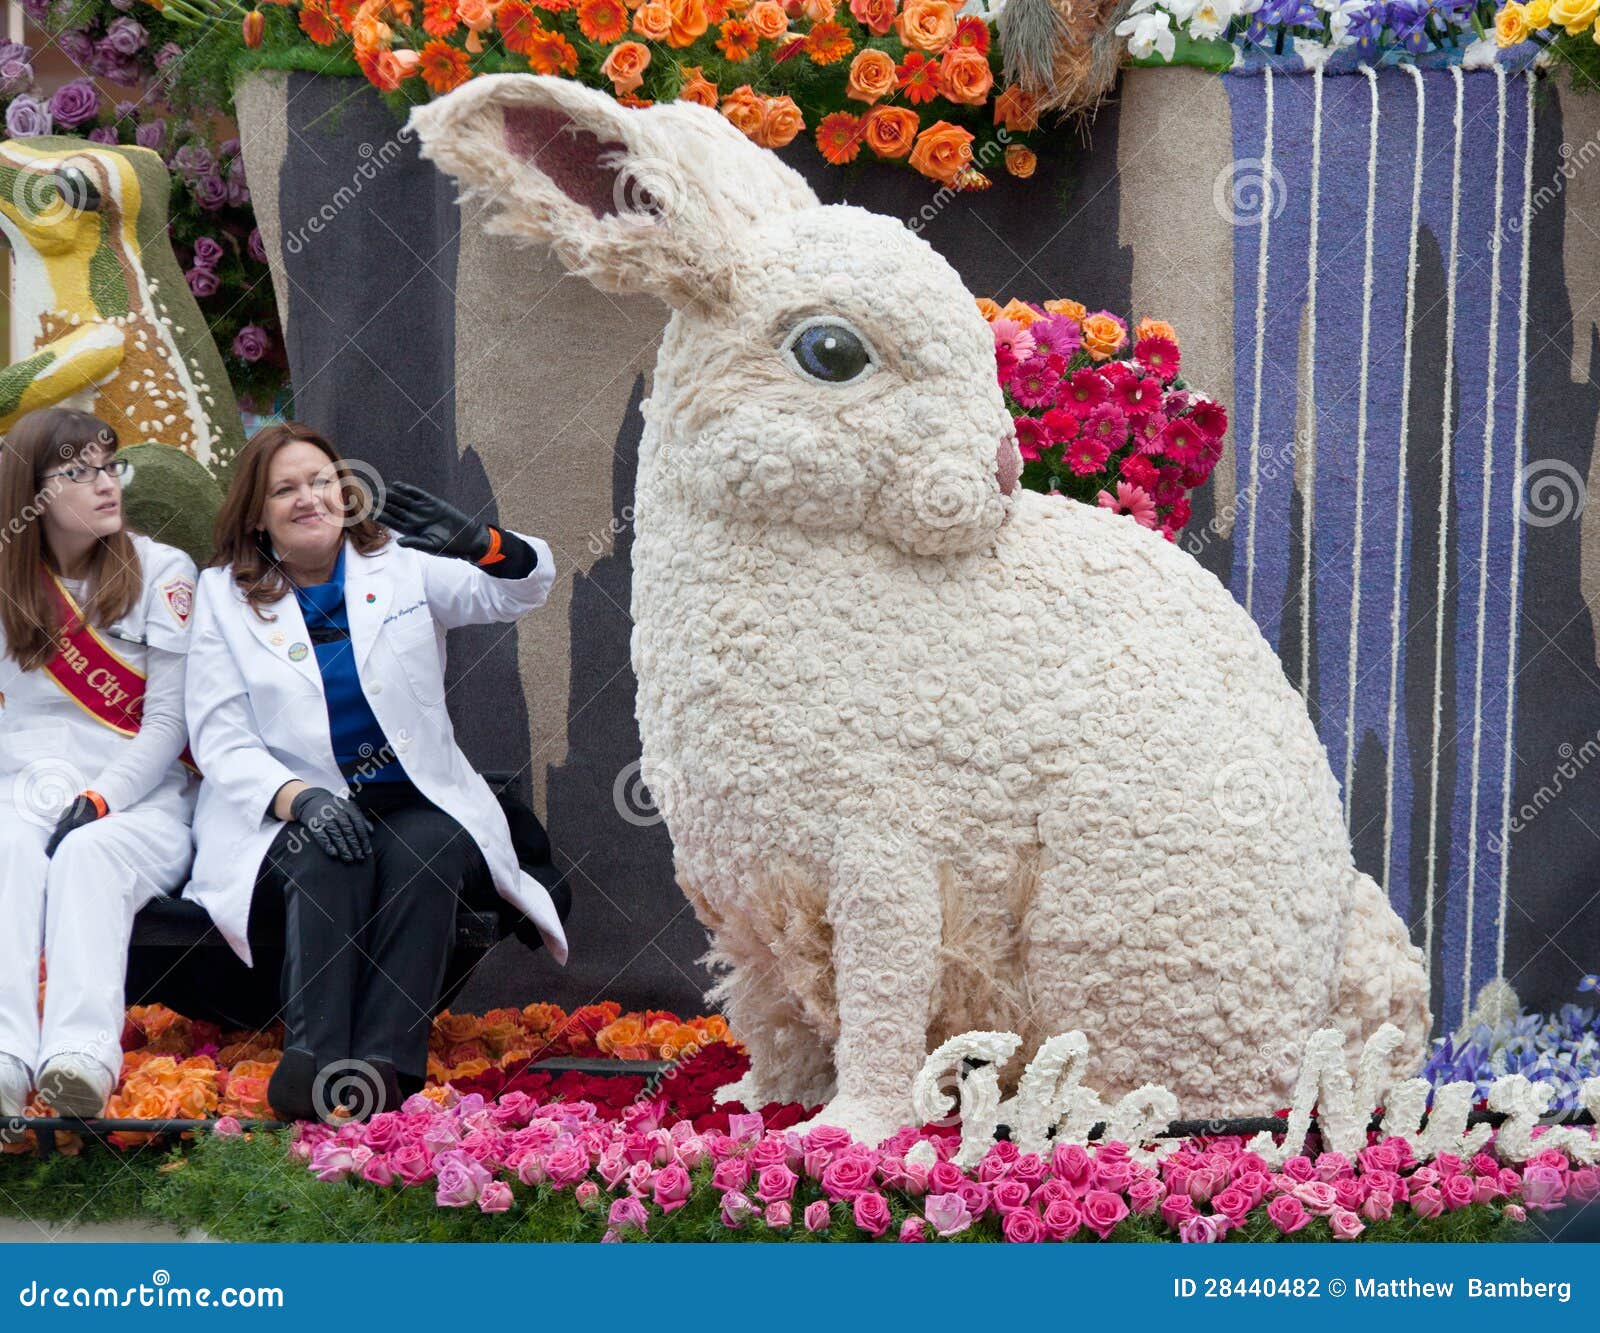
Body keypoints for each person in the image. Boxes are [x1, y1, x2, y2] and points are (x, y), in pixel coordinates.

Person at [184, 422, 566, 1123]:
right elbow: (219, 738)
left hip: (410, 798)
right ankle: (316, 1061)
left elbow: (520, 592)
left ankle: (384, 1072)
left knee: (430, 849)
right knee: (329, 857)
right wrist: (299, 799)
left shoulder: (402, 567)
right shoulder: (219, 597)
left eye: (322, 480)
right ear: (256, 512)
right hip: (287, 809)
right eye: (285, 489)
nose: (309, 497)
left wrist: (481, 544)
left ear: (346, 490)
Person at [0, 409, 198, 1140]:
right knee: (10, 847)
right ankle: (6, 1055)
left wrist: (101, 797)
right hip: (20, 790)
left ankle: (81, 1056)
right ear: (33, 491)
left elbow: (169, 725)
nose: (105, 483)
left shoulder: (164, 571)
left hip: (136, 799)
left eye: (108, 465)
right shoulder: (5, 577)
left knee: (87, 853)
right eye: (78, 471)